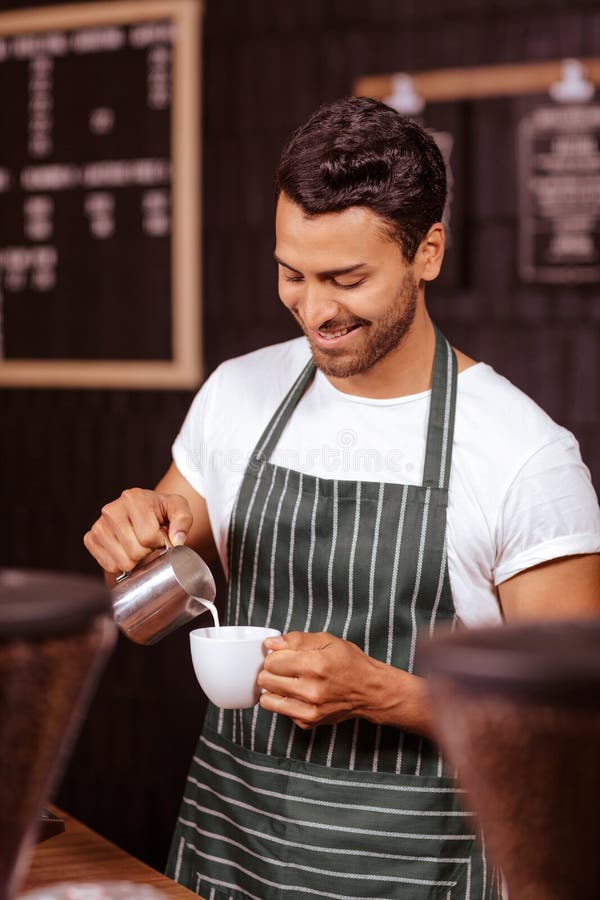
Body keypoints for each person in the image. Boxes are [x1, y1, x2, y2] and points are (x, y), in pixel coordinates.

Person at [85, 97, 600, 900]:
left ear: (427, 252)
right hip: (230, 851)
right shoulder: (239, 395)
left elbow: (571, 733)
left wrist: (385, 694)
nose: (315, 311)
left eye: (347, 279)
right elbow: (150, 600)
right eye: (292, 274)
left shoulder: (523, 456)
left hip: (412, 869)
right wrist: (137, 539)